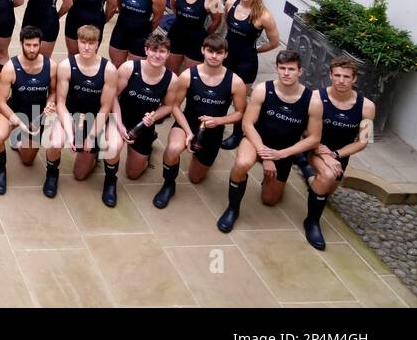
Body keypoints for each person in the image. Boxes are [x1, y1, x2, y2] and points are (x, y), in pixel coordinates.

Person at [217, 50, 323, 234]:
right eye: (282, 68)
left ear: (300, 72)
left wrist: (281, 154)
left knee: (270, 200)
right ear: (277, 69)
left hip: (284, 150)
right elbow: (247, 124)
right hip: (256, 140)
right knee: (242, 164)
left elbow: (314, 138)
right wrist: (266, 156)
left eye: (291, 69)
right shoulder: (263, 89)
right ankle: (232, 208)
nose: (286, 73)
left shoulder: (312, 101)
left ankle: (282, 171)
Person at [152, 34, 247, 209]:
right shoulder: (188, 75)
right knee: (173, 150)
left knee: (195, 178)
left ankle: (203, 157)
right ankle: (168, 184)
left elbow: (240, 113)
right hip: (187, 123)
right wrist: (188, 132)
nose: (214, 56)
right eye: (210, 51)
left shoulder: (236, 82)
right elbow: (174, 106)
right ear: (203, 50)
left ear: (225, 54)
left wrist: (219, 121)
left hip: (214, 129)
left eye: (219, 53)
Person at [102, 30, 184, 207]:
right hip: (121, 118)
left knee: (133, 174)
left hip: (144, 126)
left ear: (168, 54)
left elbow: (169, 106)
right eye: (154, 50)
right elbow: (113, 96)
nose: (157, 55)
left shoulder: (172, 79)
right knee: (112, 147)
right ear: (146, 50)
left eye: (162, 51)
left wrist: (154, 117)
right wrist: (118, 123)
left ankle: (147, 150)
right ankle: (110, 181)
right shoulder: (129, 68)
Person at [303, 57, 375, 251]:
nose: (341, 80)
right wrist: (321, 152)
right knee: (326, 176)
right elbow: (304, 130)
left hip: (338, 154)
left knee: (326, 188)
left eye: (346, 76)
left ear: (354, 79)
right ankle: (311, 222)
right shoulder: (316, 97)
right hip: (315, 146)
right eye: (337, 75)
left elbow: (363, 141)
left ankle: (308, 173)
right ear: (330, 75)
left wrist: (335, 154)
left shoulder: (367, 106)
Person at [45, 24, 118, 198]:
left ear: (97, 44)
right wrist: (70, 133)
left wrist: (92, 135)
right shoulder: (66, 66)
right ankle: (52, 173)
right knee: (55, 142)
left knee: (80, 175)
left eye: (91, 43)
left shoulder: (109, 70)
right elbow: (61, 103)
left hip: (95, 118)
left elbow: (106, 107)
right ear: (77, 42)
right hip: (70, 115)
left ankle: (106, 174)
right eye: (83, 42)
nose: (86, 47)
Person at [0, 25, 55, 194]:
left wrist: (49, 104)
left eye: (35, 45)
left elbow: (54, 92)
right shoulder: (11, 67)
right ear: (21, 43)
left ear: (40, 45)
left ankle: (18, 142)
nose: (31, 49)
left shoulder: (51, 66)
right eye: (28, 45)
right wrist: (16, 121)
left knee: (27, 162)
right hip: (14, 109)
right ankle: (0, 170)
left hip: (36, 114)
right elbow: (1, 102)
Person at [219, 0, 282, 150]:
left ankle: (238, 133)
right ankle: (217, 124)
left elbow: (274, 42)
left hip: (246, 62)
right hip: (226, 57)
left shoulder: (263, 15)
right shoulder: (230, 3)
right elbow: (228, 25)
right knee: (222, 92)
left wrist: (256, 49)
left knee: (239, 100)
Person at [164, 0, 222, 74]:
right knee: (170, 71)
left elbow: (217, 21)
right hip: (176, 34)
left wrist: (205, 35)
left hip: (197, 39)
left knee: (192, 74)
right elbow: (174, 7)